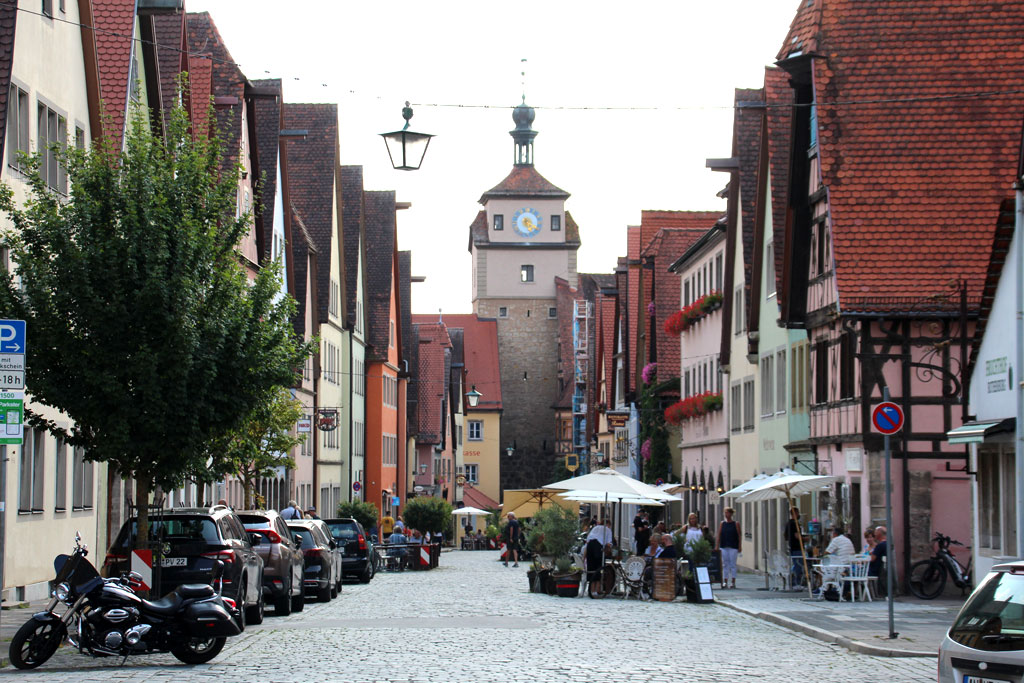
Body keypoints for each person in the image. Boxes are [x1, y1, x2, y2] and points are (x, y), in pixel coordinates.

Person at [585, 518, 614, 597]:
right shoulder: (608, 530)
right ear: (608, 524)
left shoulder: (595, 528)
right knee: (599, 567)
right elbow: (608, 544)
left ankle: (591, 589)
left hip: (590, 546)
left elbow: (588, 540)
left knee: (591, 568)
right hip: (598, 547)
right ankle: (596, 590)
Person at [716, 507, 741, 590]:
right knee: (725, 564)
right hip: (724, 546)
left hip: (733, 546)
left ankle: (733, 582)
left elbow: (739, 535)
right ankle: (725, 581)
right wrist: (717, 545)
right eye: (725, 513)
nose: (726, 514)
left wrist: (740, 546)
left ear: (731, 514)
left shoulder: (736, 523)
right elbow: (719, 534)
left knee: (733, 564)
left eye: (728, 513)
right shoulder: (722, 523)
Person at [784, 507, 805, 588]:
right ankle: (795, 582)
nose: (799, 514)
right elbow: (797, 536)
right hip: (797, 547)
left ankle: (792, 580)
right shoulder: (794, 524)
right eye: (798, 513)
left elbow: (785, 536)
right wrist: (805, 539)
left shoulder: (788, 523)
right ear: (795, 513)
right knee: (799, 565)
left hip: (792, 546)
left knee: (796, 564)